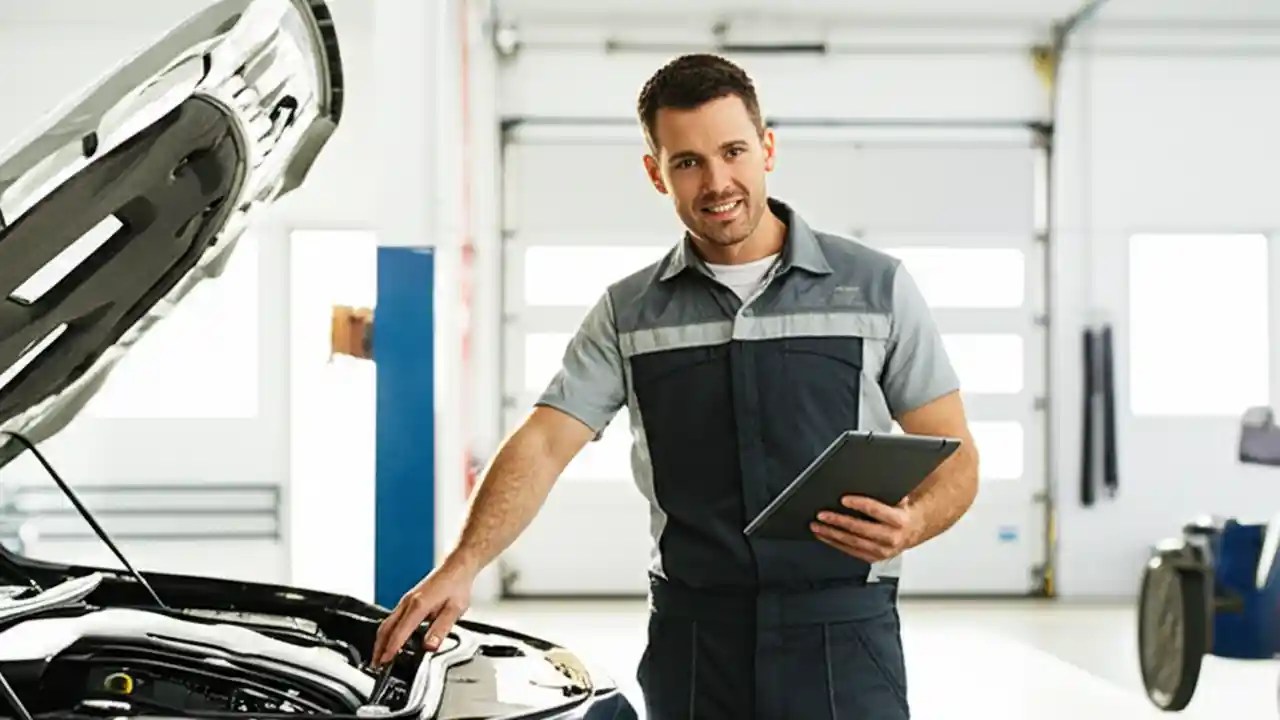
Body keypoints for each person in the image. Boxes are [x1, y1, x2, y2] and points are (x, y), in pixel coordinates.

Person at [372, 53, 979, 719]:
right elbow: (545, 443)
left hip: (843, 634)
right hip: (695, 641)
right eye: (687, 161)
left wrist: (913, 523)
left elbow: (956, 456)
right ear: (655, 174)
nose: (717, 181)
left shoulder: (877, 287)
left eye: (733, 151)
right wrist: (461, 564)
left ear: (767, 149)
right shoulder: (629, 312)